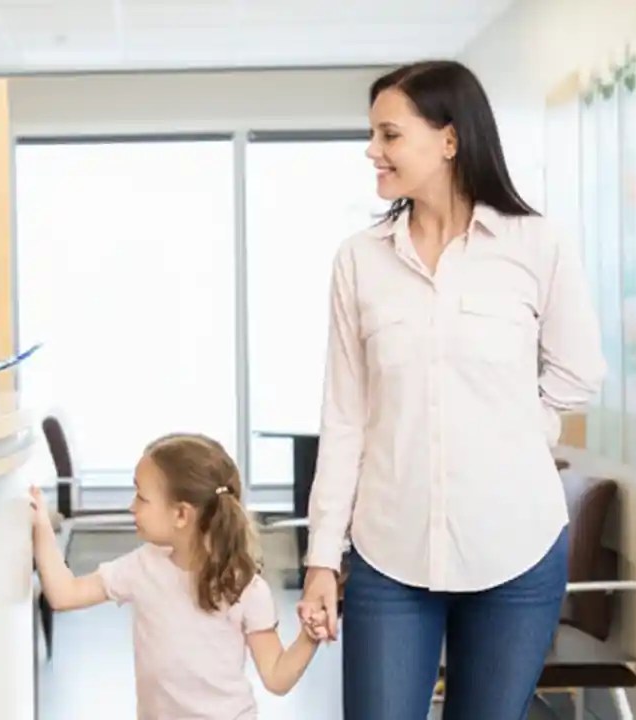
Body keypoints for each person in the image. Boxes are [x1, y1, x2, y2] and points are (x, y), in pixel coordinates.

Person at [297, 60, 606, 719]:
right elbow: (345, 415)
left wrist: (522, 433)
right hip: (390, 550)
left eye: (388, 135)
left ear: (449, 139)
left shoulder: (536, 245)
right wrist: (323, 558)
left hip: (517, 547)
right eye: (372, 135)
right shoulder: (360, 260)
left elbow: (578, 375)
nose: (371, 151)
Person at [29, 433, 326, 719]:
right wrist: (41, 525)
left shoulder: (246, 588)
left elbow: (276, 676)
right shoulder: (142, 566)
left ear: (181, 514)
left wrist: (308, 639)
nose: (131, 506)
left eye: (141, 497)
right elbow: (64, 594)